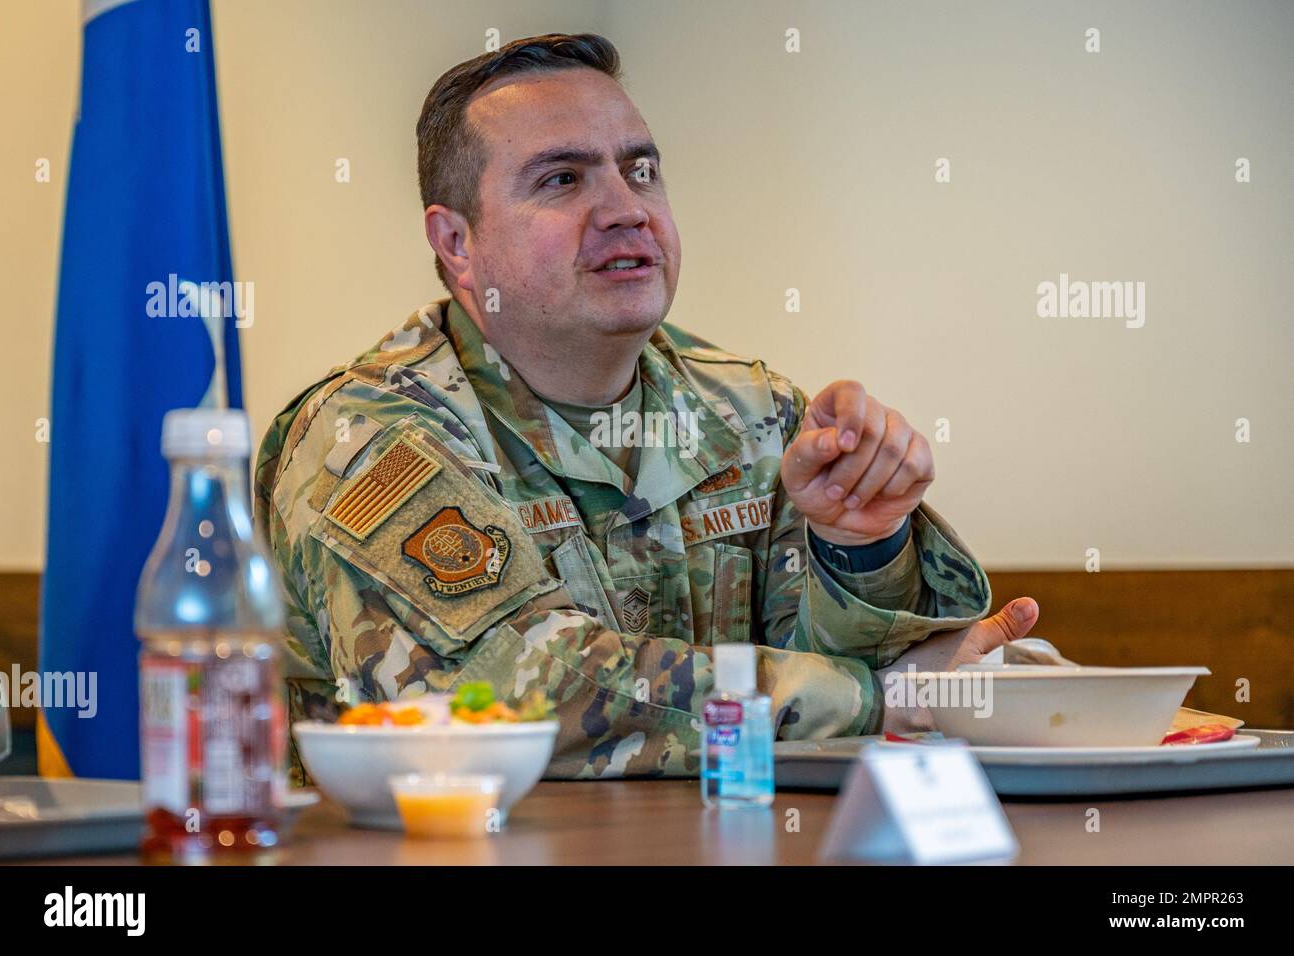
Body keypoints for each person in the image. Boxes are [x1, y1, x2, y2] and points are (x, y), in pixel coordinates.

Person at [255, 33, 1039, 781]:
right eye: (563, 179)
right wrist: (886, 699)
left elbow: (845, 664)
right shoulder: (368, 436)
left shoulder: (753, 410)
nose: (626, 208)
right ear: (458, 243)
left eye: (640, 171)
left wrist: (858, 552)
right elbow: (509, 699)